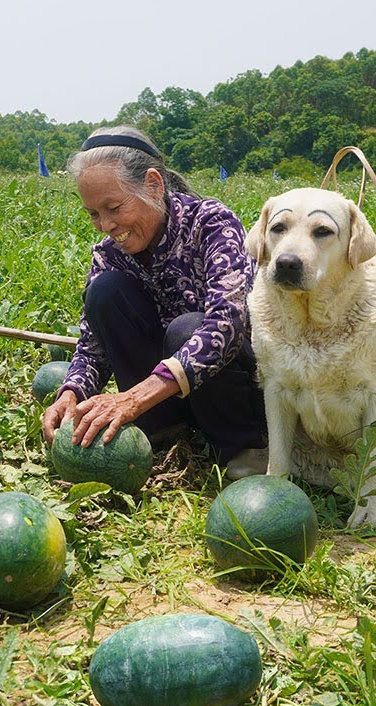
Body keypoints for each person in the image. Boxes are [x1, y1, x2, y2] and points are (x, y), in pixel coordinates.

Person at [40, 126, 268, 478]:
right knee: (105, 291)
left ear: (153, 184)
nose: (105, 225)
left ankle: (244, 447)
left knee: (186, 328)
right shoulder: (109, 255)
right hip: (160, 397)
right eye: (93, 214)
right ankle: (161, 429)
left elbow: (228, 323)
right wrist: (71, 391)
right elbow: (92, 344)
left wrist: (132, 398)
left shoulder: (211, 223)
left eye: (113, 208)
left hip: (233, 392)